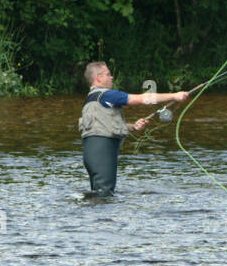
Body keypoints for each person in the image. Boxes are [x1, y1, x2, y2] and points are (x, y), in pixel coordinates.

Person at [79, 61, 189, 195]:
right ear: (98, 77)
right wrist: (174, 96)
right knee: (104, 194)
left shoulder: (91, 98)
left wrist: (132, 127)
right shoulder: (108, 95)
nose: (111, 77)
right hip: (102, 152)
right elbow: (143, 99)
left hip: (92, 154)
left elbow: (104, 124)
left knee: (99, 194)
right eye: (108, 74)